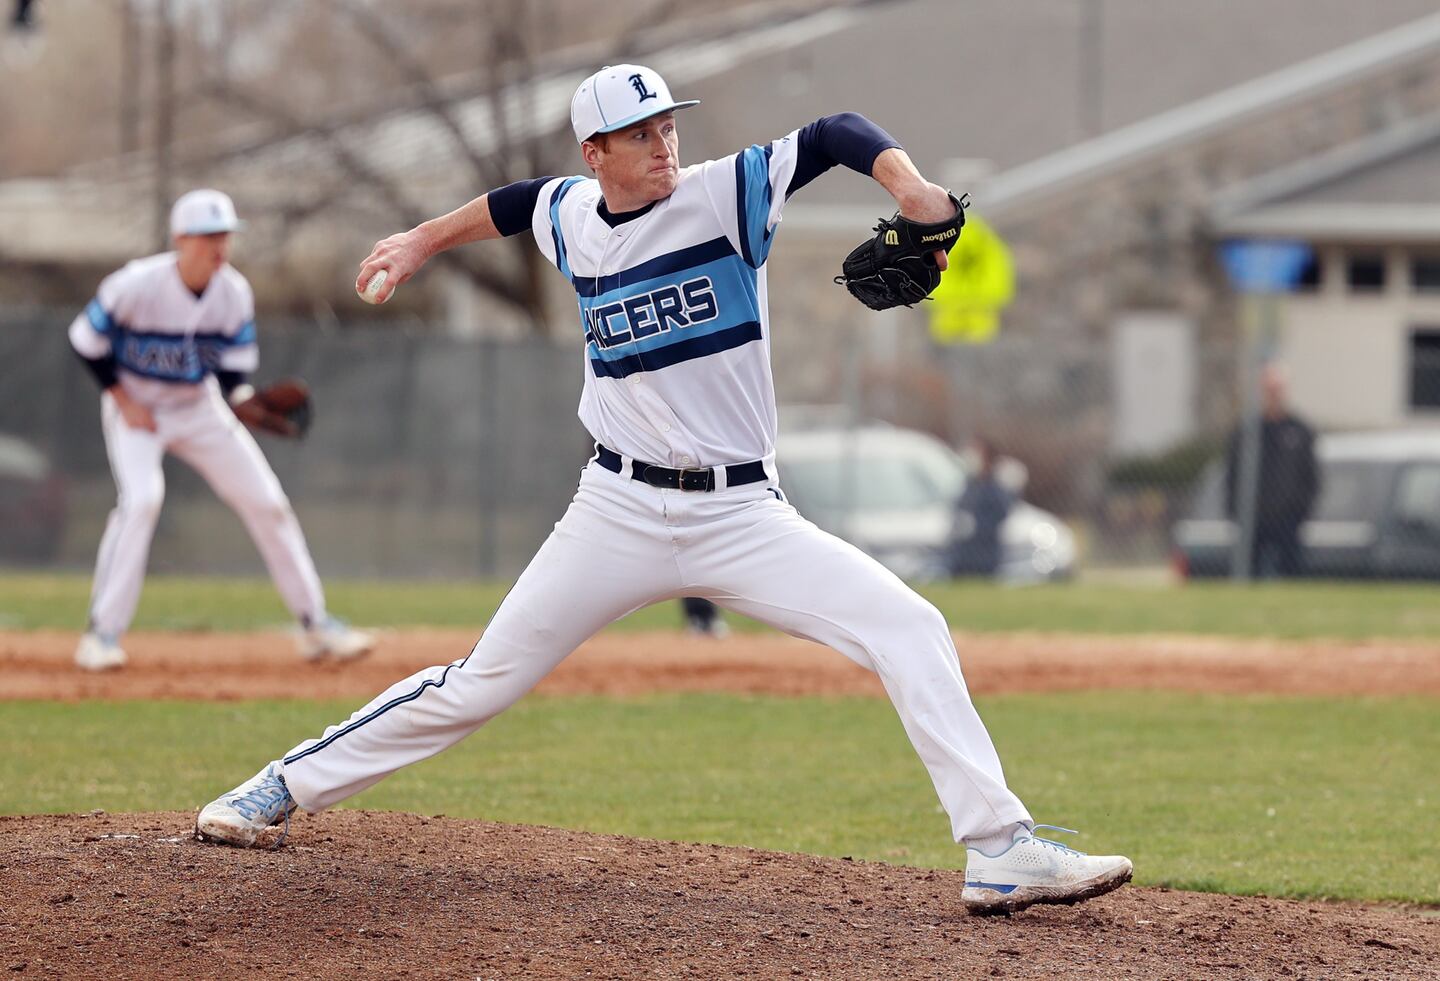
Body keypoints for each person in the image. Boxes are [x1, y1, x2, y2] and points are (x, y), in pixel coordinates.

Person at [195, 66, 1131, 914]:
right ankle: (281, 784)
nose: (663, 144)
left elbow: (836, 130)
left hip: (742, 515)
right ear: (595, 153)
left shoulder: (723, 195)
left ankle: (999, 849)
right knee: (480, 682)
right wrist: (422, 240)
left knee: (909, 625)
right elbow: (518, 203)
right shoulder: (573, 215)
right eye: (639, 134)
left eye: (667, 126)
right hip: (616, 509)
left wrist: (909, 188)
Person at [68, 189, 376, 671]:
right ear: (180, 238)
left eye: (225, 235)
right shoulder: (136, 284)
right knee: (141, 501)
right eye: (208, 235)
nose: (219, 246)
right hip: (138, 409)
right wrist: (123, 400)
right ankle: (101, 635)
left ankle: (316, 626)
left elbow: (232, 375)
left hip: (198, 407)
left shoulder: (233, 292)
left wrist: (245, 401)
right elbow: (84, 340)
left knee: (268, 503)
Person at [1224, 364, 1319, 578]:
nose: (1274, 395)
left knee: (1290, 572)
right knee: (1250, 572)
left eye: (1278, 390)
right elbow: (1232, 474)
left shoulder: (1299, 430)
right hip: (1253, 518)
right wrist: (1234, 510)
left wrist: (1302, 509)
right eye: (1269, 390)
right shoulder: (1247, 431)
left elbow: (1310, 475)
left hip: (1289, 519)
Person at [947, 437, 1014, 578]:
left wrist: (976, 526)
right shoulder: (969, 485)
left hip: (984, 558)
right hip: (961, 557)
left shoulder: (995, 489)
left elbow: (1000, 516)